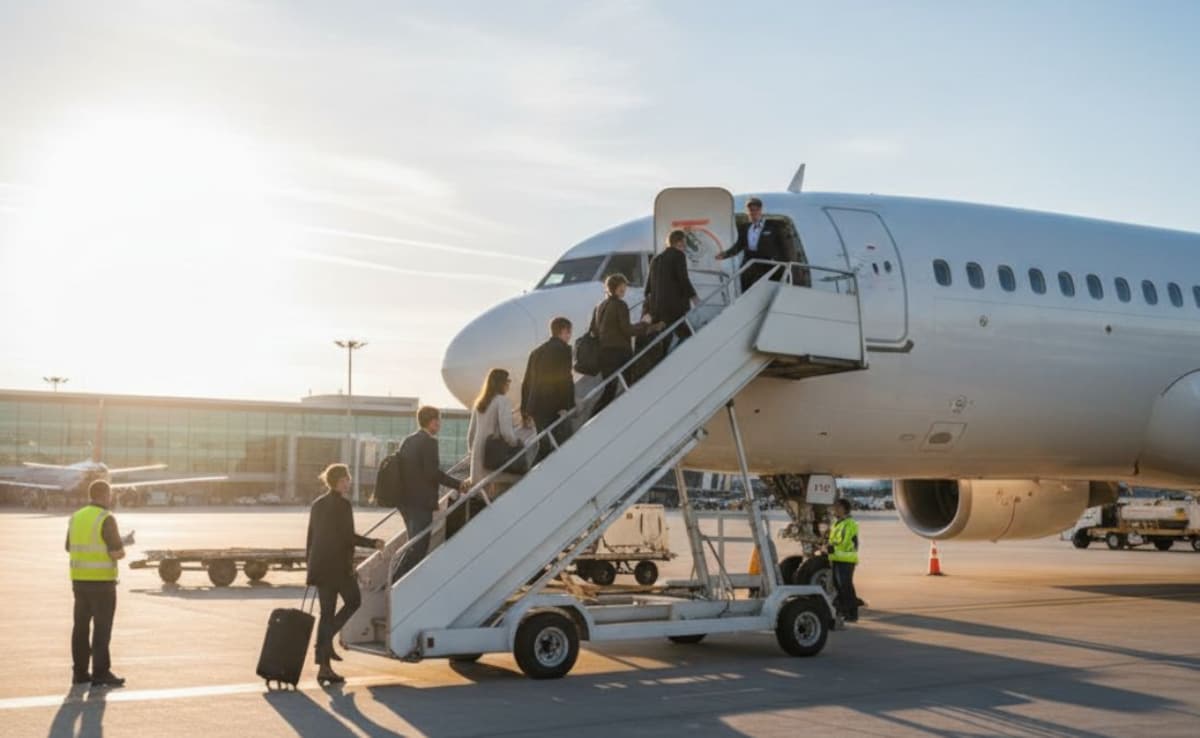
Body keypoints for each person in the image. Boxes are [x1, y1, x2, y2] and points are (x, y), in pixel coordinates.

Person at [306, 463, 384, 684]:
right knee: (354, 601)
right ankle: (325, 642)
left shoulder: (317, 504)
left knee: (326, 613)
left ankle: (324, 665)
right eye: (346, 479)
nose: (349, 483)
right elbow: (348, 537)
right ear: (338, 481)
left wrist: (310, 568)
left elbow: (310, 539)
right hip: (338, 568)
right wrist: (373, 543)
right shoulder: (343, 505)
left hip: (321, 567)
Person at [392, 406, 467, 582]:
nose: (439, 424)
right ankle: (396, 584)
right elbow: (432, 473)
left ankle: (396, 582)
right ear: (431, 421)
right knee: (418, 548)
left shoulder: (407, 441)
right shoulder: (429, 442)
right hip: (420, 503)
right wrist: (458, 484)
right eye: (438, 420)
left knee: (412, 546)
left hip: (405, 502)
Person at [66, 480, 127, 687]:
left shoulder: (76, 517)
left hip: (79, 581)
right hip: (101, 583)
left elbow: (69, 546)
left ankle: (80, 673)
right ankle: (101, 672)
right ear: (105, 495)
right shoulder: (106, 518)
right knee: (102, 628)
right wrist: (122, 549)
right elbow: (116, 552)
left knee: (80, 628)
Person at [591, 273, 662, 416]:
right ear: (616, 288)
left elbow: (595, 330)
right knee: (630, 384)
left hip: (604, 353)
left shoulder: (600, 306)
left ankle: (594, 416)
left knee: (609, 389)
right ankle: (633, 414)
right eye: (623, 287)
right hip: (619, 352)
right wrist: (645, 323)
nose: (625, 290)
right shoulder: (620, 305)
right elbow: (627, 330)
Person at [520, 316, 575, 460]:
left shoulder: (536, 352)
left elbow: (527, 382)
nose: (570, 336)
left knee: (544, 445)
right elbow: (565, 379)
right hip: (554, 406)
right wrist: (566, 405)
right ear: (563, 331)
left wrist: (524, 410)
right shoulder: (563, 350)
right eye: (569, 332)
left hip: (536, 406)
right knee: (562, 444)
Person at [641, 230, 697, 370]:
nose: (685, 246)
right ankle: (670, 364)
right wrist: (693, 296)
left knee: (665, 338)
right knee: (687, 335)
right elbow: (683, 279)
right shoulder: (678, 256)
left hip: (657, 308)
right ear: (679, 242)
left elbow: (648, 287)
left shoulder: (656, 259)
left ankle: (660, 365)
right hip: (675, 308)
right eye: (684, 243)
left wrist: (649, 308)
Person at [717, 197, 788, 292]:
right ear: (747, 211)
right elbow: (739, 245)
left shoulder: (772, 227)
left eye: (756, 210)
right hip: (750, 263)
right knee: (747, 290)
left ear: (761, 210)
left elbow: (783, 247)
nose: (754, 212)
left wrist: (786, 265)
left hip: (767, 264)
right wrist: (725, 254)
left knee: (766, 291)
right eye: (751, 210)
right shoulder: (745, 227)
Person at [467, 368, 520, 487]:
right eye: (508, 381)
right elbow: (506, 432)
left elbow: (471, 434)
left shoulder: (479, 403)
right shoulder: (503, 401)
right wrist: (516, 444)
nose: (509, 385)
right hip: (494, 460)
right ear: (501, 383)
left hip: (478, 460)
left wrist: (472, 453)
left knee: (481, 497)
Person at [828, 498, 860, 622]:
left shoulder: (849, 523)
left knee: (846, 587)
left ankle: (852, 614)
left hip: (846, 560)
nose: (834, 510)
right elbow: (833, 539)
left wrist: (830, 547)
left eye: (836, 507)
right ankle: (844, 611)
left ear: (843, 509)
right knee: (839, 587)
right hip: (837, 558)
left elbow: (845, 542)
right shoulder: (837, 523)